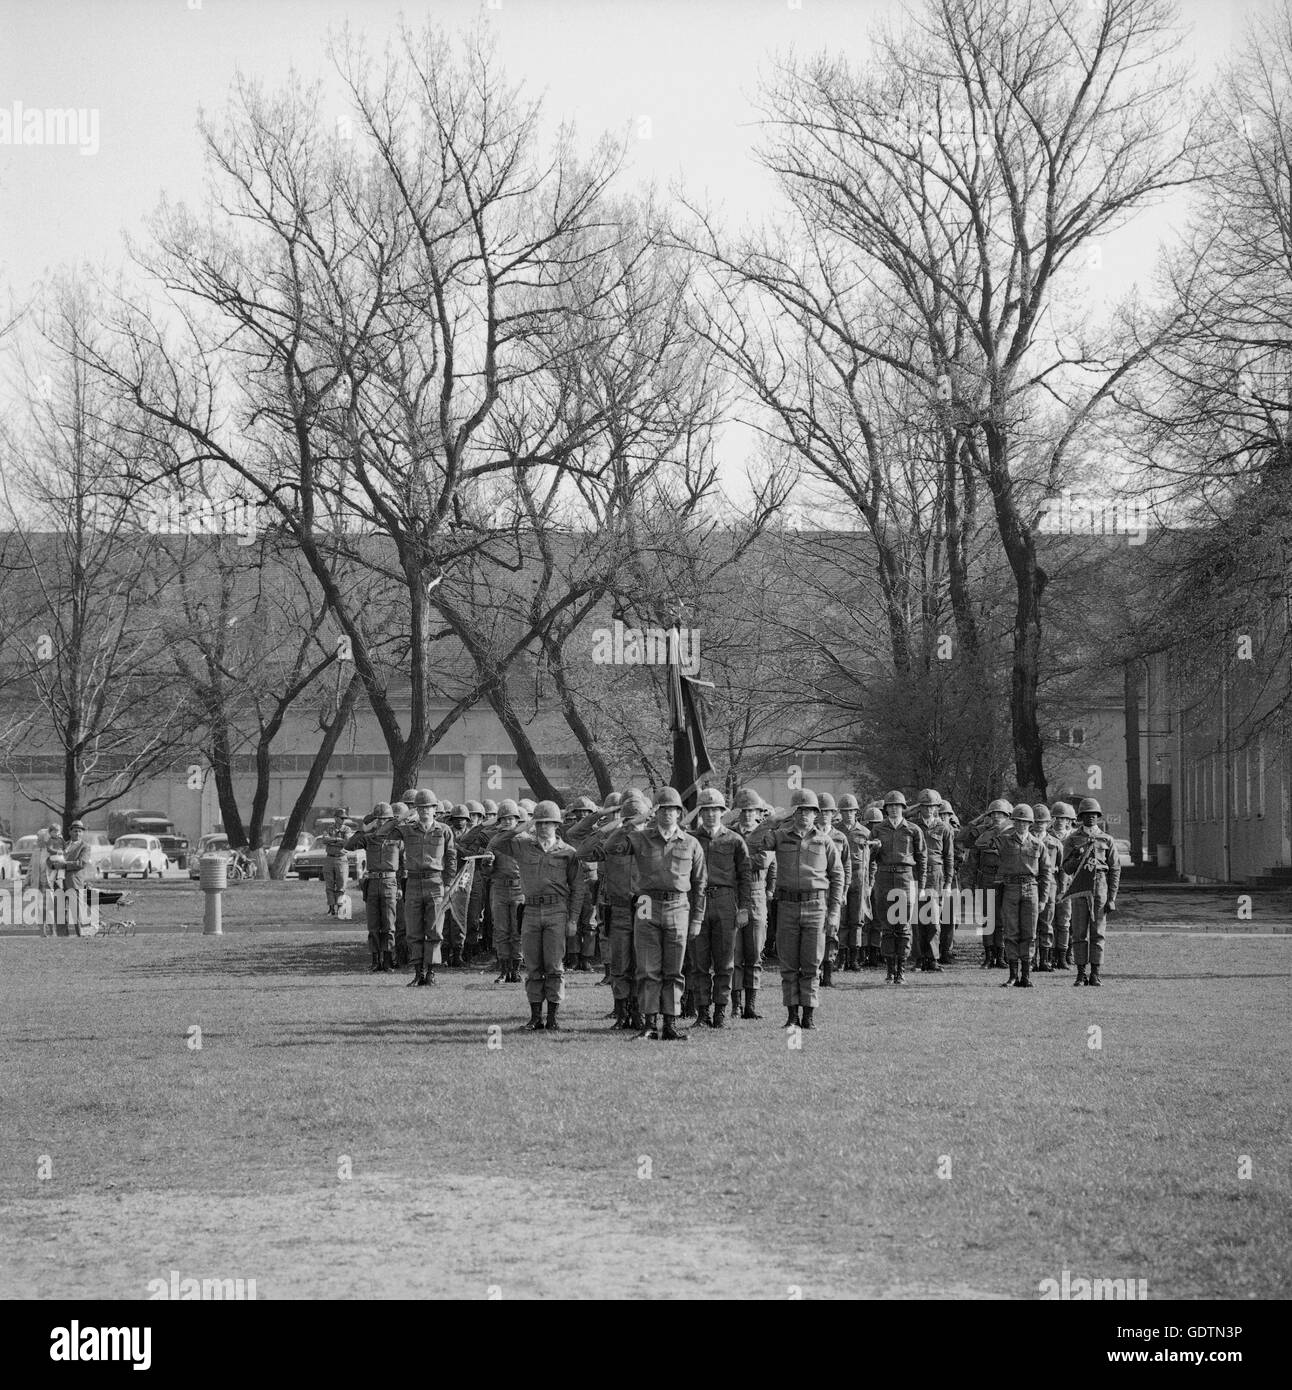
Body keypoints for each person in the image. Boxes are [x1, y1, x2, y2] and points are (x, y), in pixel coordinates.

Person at [585, 787, 706, 1042]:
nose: (668, 814)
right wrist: (631, 824)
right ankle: (650, 1023)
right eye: (662, 810)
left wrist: (696, 919)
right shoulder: (641, 838)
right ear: (656, 812)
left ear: (678, 813)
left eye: (672, 810)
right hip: (647, 904)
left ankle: (670, 1023)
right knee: (648, 968)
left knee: (673, 969)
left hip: (678, 905)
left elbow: (700, 885)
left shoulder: (691, 843)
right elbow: (611, 846)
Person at [748, 789, 844, 1028]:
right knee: (789, 964)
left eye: (810, 811)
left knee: (811, 964)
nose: (805, 815)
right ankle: (792, 1017)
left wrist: (834, 912)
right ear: (793, 813)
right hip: (788, 906)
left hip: (816, 906)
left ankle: (808, 1017)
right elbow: (753, 843)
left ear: (816, 815)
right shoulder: (779, 836)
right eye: (800, 810)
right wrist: (769, 821)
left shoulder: (825, 841)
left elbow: (838, 876)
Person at [488, 801, 585, 1031]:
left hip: (557, 911)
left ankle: (552, 1017)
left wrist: (573, 919)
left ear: (557, 825)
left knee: (554, 965)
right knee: (533, 965)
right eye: (540, 823)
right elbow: (495, 843)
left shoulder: (568, 852)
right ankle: (534, 1018)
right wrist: (524, 826)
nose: (543, 828)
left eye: (548, 823)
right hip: (530, 910)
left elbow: (578, 888)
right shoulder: (523, 845)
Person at [574, 792, 648, 1028]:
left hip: (645, 907)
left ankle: (640, 1014)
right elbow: (581, 849)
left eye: (639, 819)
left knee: (643, 963)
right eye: (630, 819)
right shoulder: (612, 845)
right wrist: (609, 823)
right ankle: (621, 1013)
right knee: (619, 963)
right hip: (619, 908)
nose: (635, 825)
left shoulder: (653, 841)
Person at [687, 788, 753, 1028]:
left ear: (722, 812)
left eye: (715, 810)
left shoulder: (735, 840)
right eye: (706, 810)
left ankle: (721, 1012)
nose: (711, 815)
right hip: (697, 902)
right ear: (700, 813)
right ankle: (702, 1013)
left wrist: (744, 907)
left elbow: (745, 875)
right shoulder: (691, 839)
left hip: (725, 901)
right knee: (699, 962)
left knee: (725, 961)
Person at [383, 791, 457, 987]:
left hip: (435, 883)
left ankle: (431, 972)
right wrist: (405, 815)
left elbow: (451, 858)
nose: (425, 811)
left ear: (435, 809)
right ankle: (418, 973)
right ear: (416, 809)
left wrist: (449, 884)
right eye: (421, 807)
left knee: (434, 930)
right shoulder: (407, 829)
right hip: (413, 883)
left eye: (428, 807)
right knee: (413, 930)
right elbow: (382, 832)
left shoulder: (444, 830)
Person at [1061, 798, 1120, 986]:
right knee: (1079, 932)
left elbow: (1115, 869)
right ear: (1081, 817)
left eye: (1095, 814)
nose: (1092, 817)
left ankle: (1095, 973)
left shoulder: (1107, 840)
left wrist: (1112, 898)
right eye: (1087, 814)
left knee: (1098, 932)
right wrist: (1077, 858)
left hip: (1100, 887)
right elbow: (1067, 868)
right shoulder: (1072, 840)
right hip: (1079, 889)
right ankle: (1080, 973)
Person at [868, 791, 926, 985]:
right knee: (886, 926)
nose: (893, 809)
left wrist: (922, 885)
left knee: (902, 926)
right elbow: (870, 859)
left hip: (904, 876)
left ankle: (901, 970)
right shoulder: (877, 830)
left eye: (897, 806)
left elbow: (922, 858)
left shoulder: (913, 829)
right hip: (884, 877)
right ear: (885, 809)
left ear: (903, 808)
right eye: (890, 806)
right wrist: (873, 849)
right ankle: (889, 970)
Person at [996, 804, 1052, 988]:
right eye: (1018, 821)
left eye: (1025, 822)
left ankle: (1026, 976)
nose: (1021, 825)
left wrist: (1043, 899)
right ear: (1014, 822)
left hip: (1031, 888)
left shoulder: (1038, 844)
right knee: (1011, 932)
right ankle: (1013, 975)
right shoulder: (1003, 841)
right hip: (1010, 888)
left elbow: (1045, 874)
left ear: (1031, 824)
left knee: (1029, 933)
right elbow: (980, 842)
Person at [730, 790, 774, 1018]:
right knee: (735, 953)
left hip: (757, 894)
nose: (747, 815)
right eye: (743, 810)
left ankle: (751, 1005)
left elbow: (764, 860)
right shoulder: (729, 834)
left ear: (759, 812)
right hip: (734, 895)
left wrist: (738, 861)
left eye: (751, 810)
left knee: (755, 952)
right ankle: (736, 1004)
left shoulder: (766, 834)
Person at [347, 804, 404, 974]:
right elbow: (350, 845)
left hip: (390, 882)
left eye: (385, 819)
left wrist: (400, 886)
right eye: (378, 819)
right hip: (372, 883)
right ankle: (374, 961)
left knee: (389, 923)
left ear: (390, 820)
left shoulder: (397, 839)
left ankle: (387, 960)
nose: (381, 822)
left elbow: (403, 865)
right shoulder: (369, 838)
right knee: (373, 924)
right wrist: (364, 828)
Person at [913, 789, 953, 972]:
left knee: (934, 921)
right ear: (920, 807)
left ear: (937, 807)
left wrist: (948, 883)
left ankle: (933, 958)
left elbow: (949, 858)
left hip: (936, 875)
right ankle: (920, 958)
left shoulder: (945, 828)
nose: (929, 810)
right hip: (916, 875)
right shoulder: (913, 827)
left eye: (932, 807)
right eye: (925, 806)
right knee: (918, 919)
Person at [970, 800, 1013, 968]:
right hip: (987, 877)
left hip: (1005, 877)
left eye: (1001, 814)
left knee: (1002, 918)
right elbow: (973, 843)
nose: (997, 817)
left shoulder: (1013, 832)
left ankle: (1001, 955)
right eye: (993, 814)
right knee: (988, 918)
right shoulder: (984, 832)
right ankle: (988, 956)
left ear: (1007, 816)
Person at [815, 793, 852, 987]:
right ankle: (815, 970)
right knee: (814, 932)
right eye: (820, 812)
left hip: (834, 890)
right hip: (814, 890)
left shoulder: (840, 837)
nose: (824, 816)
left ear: (833, 813)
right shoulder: (809, 835)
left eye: (827, 812)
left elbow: (846, 867)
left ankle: (828, 972)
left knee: (832, 930)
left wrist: (844, 891)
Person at [836, 794, 869, 971]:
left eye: (851, 811)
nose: (848, 814)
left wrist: (869, 883)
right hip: (840, 877)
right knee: (841, 920)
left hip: (859, 879)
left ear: (857, 812)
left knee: (857, 920)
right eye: (845, 811)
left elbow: (871, 861)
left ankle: (854, 959)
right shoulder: (835, 831)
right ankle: (840, 958)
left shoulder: (865, 832)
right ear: (840, 812)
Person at [1031, 805, 1060, 973]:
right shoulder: (1028, 840)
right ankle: (1032, 959)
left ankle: (1046, 960)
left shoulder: (1055, 843)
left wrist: (1061, 889)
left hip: (1050, 885)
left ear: (1048, 823)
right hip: (1032, 883)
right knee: (1031, 924)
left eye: (1043, 822)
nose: (1040, 824)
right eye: (1036, 821)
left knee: (1047, 923)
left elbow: (1060, 866)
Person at [1049, 802, 1077, 969]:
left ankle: (1068, 953)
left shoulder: (1075, 837)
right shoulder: (1047, 835)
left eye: (1064, 818)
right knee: (1051, 921)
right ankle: (1052, 953)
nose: (1060, 821)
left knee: (1070, 921)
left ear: (1070, 820)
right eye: (1057, 817)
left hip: (1072, 882)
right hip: (1052, 882)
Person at [321, 822, 350, 919]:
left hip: (341, 859)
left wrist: (332, 841)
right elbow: (324, 840)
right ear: (336, 818)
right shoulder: (329, 827)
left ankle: (340, 908)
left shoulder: (346, 829)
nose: (342, 820)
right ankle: (331, 908)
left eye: (344, 818)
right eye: (341, 817)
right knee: (329, 884)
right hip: (329, 858)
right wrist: (338, 840)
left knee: (341, 884)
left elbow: (347, 842)